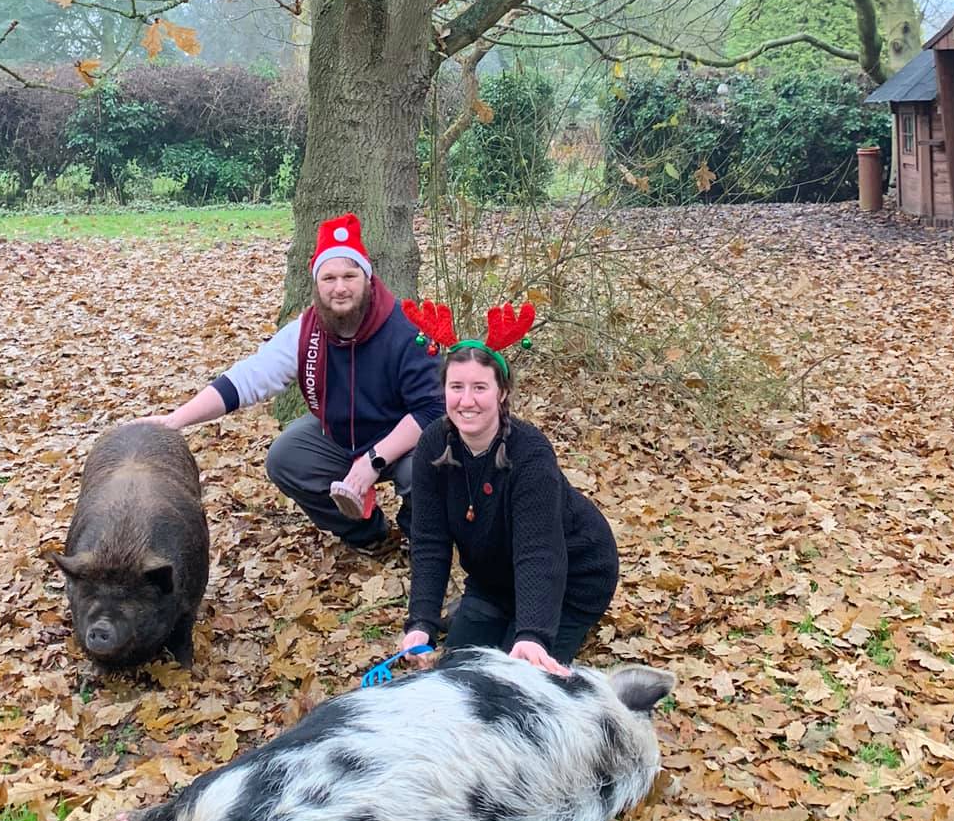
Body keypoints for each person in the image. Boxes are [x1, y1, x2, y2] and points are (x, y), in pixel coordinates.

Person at [156, 214, 442, 552]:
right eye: (329, 277)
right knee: (286, 457)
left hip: (405, 441)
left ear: (367, 278)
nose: (340, 287)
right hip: (340, 436)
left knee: (430, 463)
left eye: (350, 276)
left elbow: (432, 410)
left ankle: (421, 537)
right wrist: (174, 421)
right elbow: (247, 380)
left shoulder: (407, 329)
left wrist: (372, 461)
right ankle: (367, 534)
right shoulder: (307, 332)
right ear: (316, 284)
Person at [395, 299, 619, 672]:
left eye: (480, 387)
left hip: (573, 578)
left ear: (501, 393)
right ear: (444, 391)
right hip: (494, 581)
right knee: (458, 673)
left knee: (513, 680)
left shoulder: (529, 455)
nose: (467, 401)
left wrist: (532, 634)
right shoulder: (433, 444)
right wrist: (421, 623)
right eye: (457, 387)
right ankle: (480, 616)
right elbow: (430, 541)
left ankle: (540, 626)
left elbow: (540, 551)